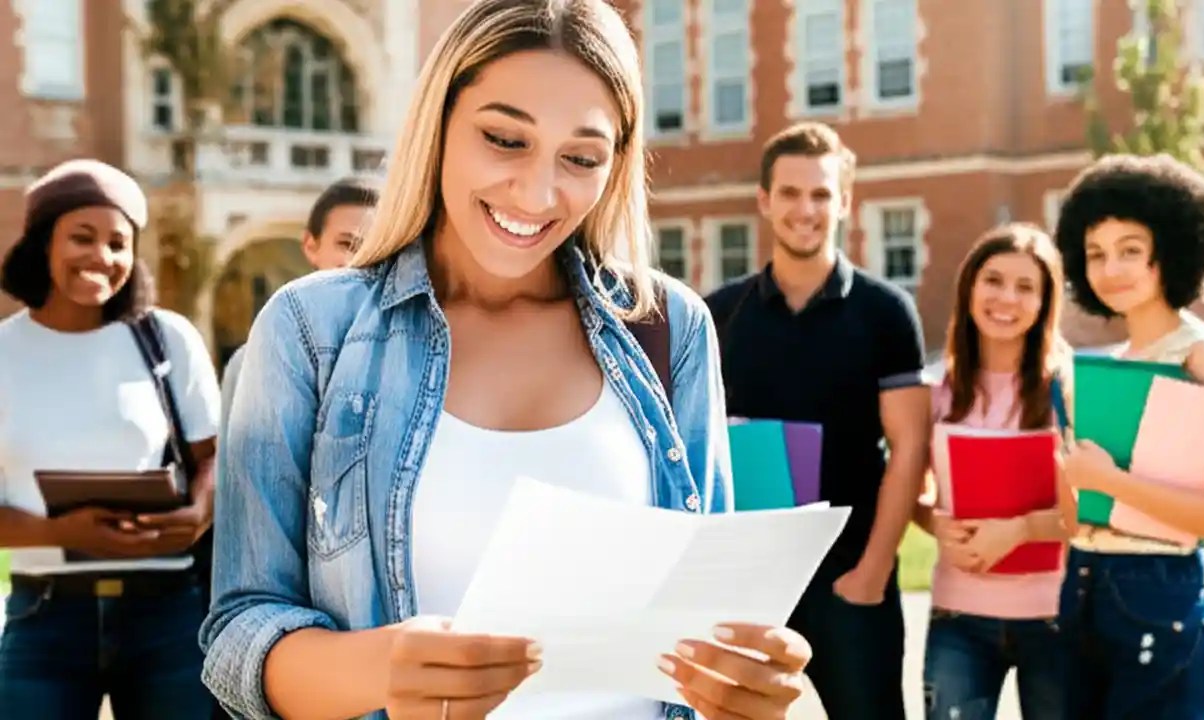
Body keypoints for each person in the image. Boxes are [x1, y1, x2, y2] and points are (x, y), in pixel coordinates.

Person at [199, 1, 814, 719]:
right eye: (503, 138)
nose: (538, 192)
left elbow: (710, 614)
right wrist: (378, 668)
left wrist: (754, 683)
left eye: (581, 158)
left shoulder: (669, 326)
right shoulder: (312, 330)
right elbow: (237, 635)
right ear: (439, 127)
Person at [704, 121, 931, 719]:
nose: (806, 209)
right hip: (747, 578)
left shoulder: (886, 313)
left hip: (848, 576)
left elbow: (910, 448)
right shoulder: (718, 314)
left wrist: (874, 571)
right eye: (791, 193)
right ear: (764, 200)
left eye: (822, 194)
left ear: (845, 202)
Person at [0, 159, 221, 718]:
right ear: (42, 243)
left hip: (169, 615)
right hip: (44, 615)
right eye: (82, 237)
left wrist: (198, 513)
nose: (103, 257)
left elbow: (214, 460)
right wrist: (60, 531)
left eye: (119, 243)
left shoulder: (167, 339)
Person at [1054, 153, 1204, 718]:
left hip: (1159, 592)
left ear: (1168, 251)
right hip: (1082, 586)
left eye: (1130, 249)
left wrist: (1113, 481)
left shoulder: (1203, 355)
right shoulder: (1108, 367)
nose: (1110, 267)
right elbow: (1084, 515)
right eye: (1096, 253)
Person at [913, 224, 1071, 720]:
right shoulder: (935, 388)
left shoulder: (1069, 390)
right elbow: (914, 496)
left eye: (1026, 287)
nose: (1007, 298)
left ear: (1046, 302)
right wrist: (934, 521)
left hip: (1055, 617)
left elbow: (1091, 514)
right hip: (959, 618)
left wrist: (1021, 530)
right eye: (994, 280)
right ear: (970, 288)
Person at [219, 176, 379, 421]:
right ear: (310, 245)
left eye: (377, 246)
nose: (360, 260)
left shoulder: (411, 360)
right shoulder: (253, 363)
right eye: (347, 244)